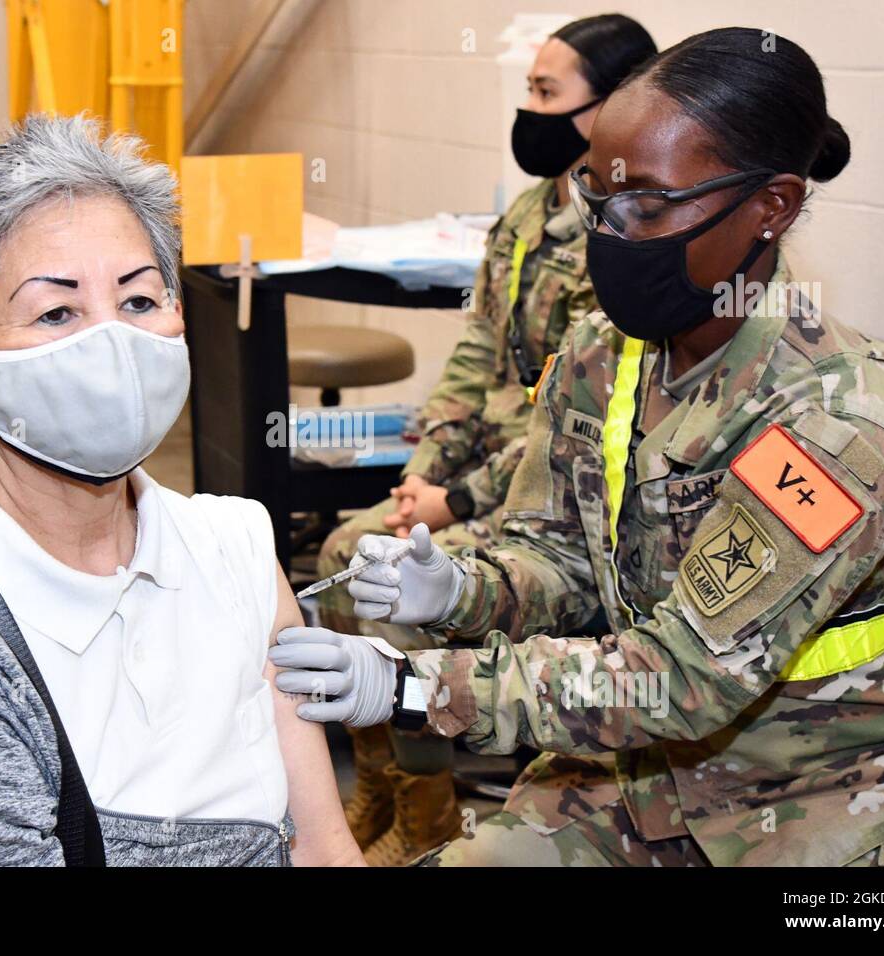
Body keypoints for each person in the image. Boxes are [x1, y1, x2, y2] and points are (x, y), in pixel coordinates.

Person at [271, 27, 884, 867]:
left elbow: (683, 676)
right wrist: (457, 588)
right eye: (595, 198)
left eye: (647, 204)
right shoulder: (606, 354)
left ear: (772, 205)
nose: (609, 232)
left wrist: (414, 687)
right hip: (648, 772)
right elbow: (558, 557)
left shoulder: (841, 424)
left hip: (843, 800)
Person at [0, 114, 362, 867]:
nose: (111, 344)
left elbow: (323, 849)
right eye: (57, 312)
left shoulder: (234, 546)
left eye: (141, 301)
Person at [315, 13, 655, 867]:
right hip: (470, 471)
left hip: (545, 487)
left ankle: (430, 819)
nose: (529, 110)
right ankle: (395, 793)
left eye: (547, 92)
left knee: (390, 592)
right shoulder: (532, 216)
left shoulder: (628, 237)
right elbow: (476, 355)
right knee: (345, 555)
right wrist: (421, 475)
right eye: (529, 89)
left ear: (608, 109)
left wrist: (454, 500)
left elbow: (576, 410)